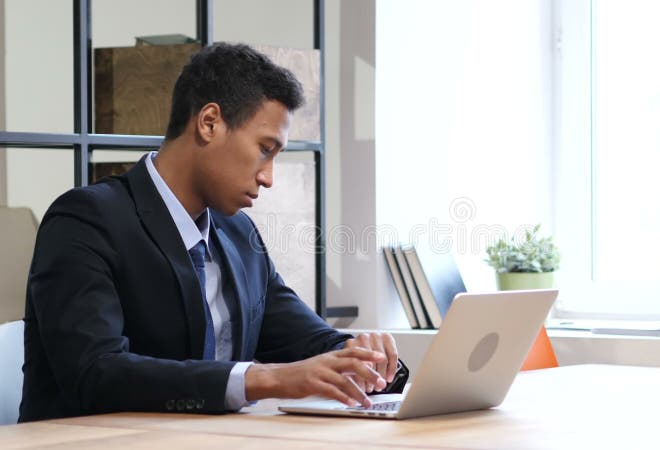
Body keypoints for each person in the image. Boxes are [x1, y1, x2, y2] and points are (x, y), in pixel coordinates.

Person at [19, 43, 398, 422]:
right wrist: (261, 379)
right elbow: (95, 373)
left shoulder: (237, 233)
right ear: (209, 123)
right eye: (265, 149)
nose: (268, 178)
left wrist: (359, 352)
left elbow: (304, 337)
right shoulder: (85, 220)